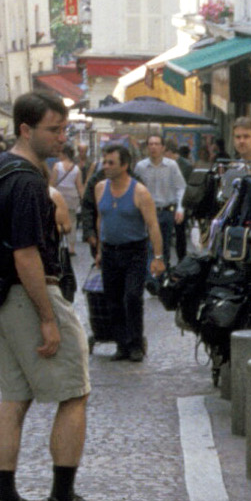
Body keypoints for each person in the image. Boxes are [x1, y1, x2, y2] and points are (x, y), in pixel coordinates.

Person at [0, 92, 108, 501]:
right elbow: (26, 255)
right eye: (53, 129)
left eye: (63, 128)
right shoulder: (27, 181)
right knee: (75, 392)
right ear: (24, 129)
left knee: (14, 398)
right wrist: (48, 317)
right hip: (28, 294)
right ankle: (62, 498)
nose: (62, 137)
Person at [91, 142, 167, 362]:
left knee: (132, 296)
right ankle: (121, 344)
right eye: (104, 161)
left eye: (111, 162)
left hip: (134, 251)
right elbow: (100, 219)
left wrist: (158, 258)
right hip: (109, 250)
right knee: (112, 299)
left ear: (124, 165)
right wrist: (98, 250)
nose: (105, 166)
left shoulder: (139, 192)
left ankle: (135, 343)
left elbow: (153, 225)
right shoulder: (100, 188)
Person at [134, 134, 186, 265]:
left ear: (163, 148)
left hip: (166, 211)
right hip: (147, 212)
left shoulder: (172, 165)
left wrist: (180, 208)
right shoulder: (141, 166)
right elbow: (134, 189)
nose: (153, 147)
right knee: (148, 246)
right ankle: (150, 279)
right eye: (151, 144)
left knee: (165, 247)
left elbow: (181, 187)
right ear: (147, 147)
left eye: (157, 144)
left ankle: (163, 277)